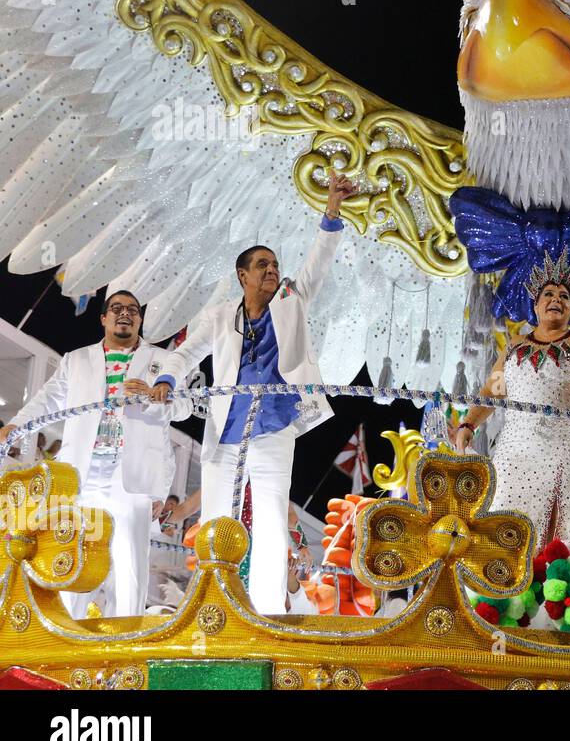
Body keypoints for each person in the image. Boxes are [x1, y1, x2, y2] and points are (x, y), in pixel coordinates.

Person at [149, 170, 355, 614]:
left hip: (274, 427)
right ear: (242, 275)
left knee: (270, 520)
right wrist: (167, 379)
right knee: (218, 521)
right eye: (262, 265)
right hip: (226, 430)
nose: (272, 271)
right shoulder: (220, 316)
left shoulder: (290, 302)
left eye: (275, 264)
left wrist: (332, 210)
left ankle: (266, 614)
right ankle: (214, 607)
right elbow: (184, 354)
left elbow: (317, 265)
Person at [0, 291, 191, 617]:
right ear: (103, 318)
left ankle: (125, 650)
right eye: (116, 308)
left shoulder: (162, 361)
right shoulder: (76, 359)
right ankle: (67, 643)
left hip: (132, 479)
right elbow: (47, 400)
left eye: (132, 310)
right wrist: (15, 426)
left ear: (140, 320)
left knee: (129, 570)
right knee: (73, 560)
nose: (124, 314)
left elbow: (185, 408)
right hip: (83, 477)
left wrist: (155, 396)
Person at [451, 250, 570, 570]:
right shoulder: (514, 346)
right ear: (535, 306)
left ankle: (559, 610)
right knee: (507, 535)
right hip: (515, 457)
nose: (556, 299)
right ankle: (503, 605)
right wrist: (468, 424)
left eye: (564, 296)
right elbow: (492, 393)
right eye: (548, 294)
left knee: (557, 546)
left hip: (564, 455)